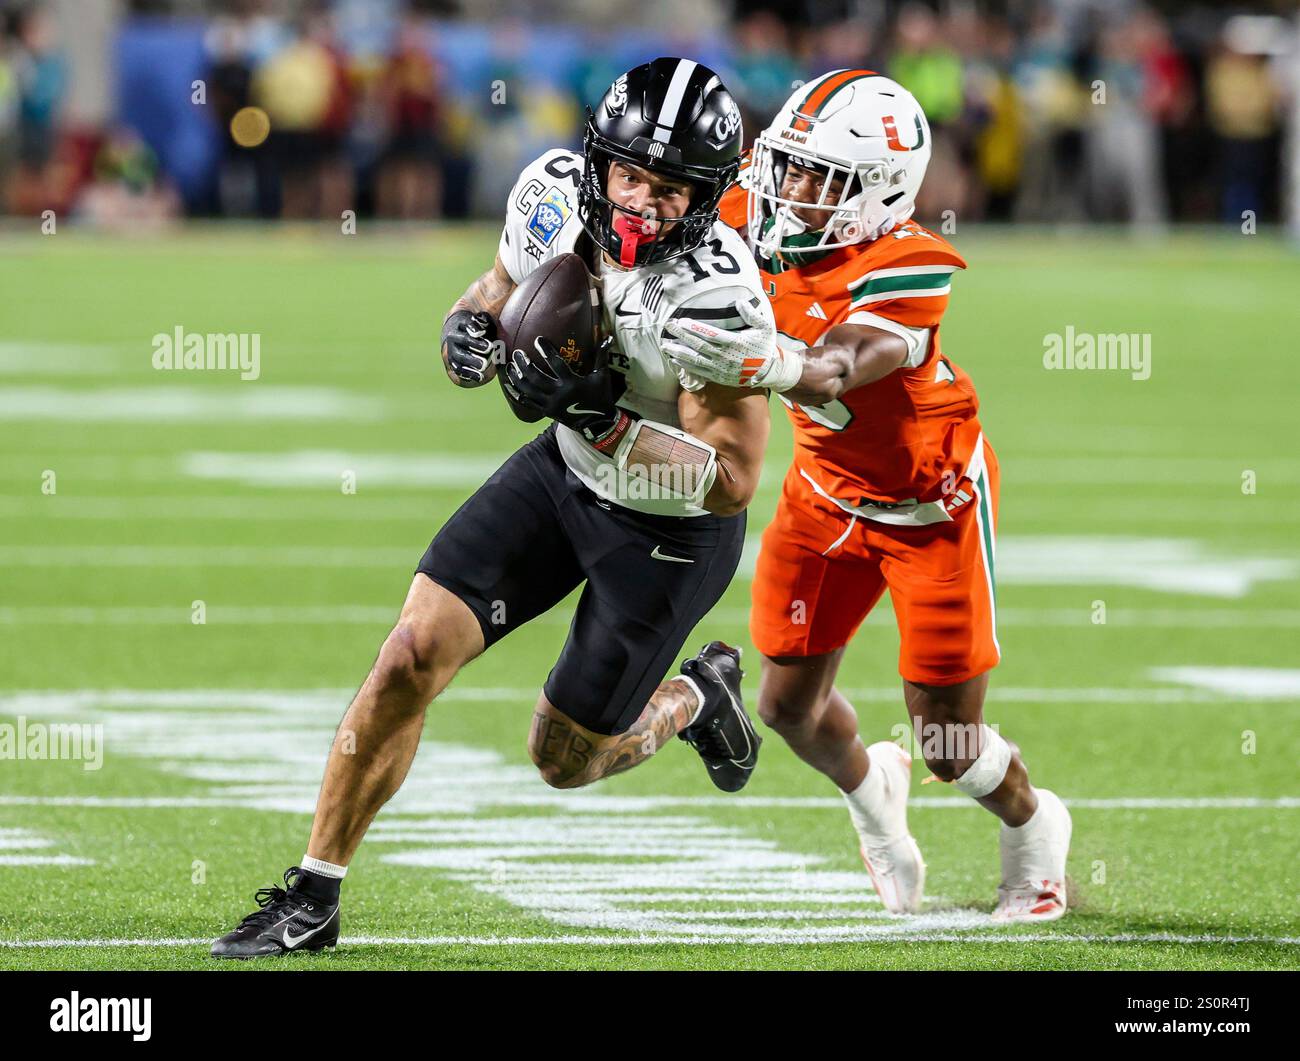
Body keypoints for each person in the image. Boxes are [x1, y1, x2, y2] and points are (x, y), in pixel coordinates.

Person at [211, 58, 773, 958]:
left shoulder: (719, 292)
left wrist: (602, 411)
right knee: (410, 652)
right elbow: (491, 295)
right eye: (629, 175)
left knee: (565, 759)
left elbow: (731, 477)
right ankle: (314, 892)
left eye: (671, 190)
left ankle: (695, 699)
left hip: (668, 535)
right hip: (564, 468)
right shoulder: (550, 194)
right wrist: (465, 332)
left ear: (706, 198)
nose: (641, 203)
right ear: (598, 162)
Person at [663, 70, 1072, 922]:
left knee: (948, 744)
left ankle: (1036, 825)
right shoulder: (753, 210)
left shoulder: (908, 262)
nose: (788, 188)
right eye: (790, 164)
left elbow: (839, 363)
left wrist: (759, 358)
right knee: (784, 705)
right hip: (823, 493)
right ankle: (873, 795)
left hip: (933, 509)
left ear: (879, 192)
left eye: (820, 176)